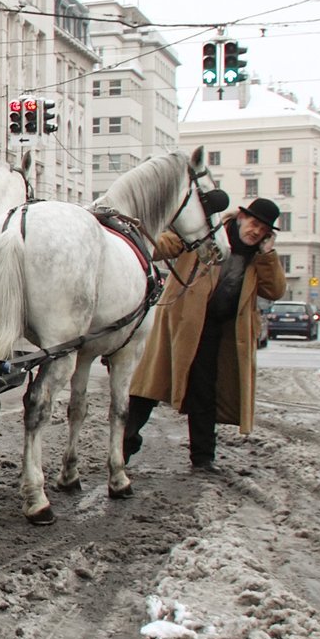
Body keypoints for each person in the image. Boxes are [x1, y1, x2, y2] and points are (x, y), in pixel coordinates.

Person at [124, 197, 286, 472]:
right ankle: (122, 447)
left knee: (204, 394)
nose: (256, 232)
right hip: (179, 325)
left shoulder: (259, 258)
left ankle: (203, 458)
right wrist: (140, 235)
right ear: (241, 218)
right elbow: (164, 246)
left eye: (263, 230)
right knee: (147, 389)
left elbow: (275, 291)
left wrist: (267, 255)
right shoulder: (207, 233)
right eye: (254, 223)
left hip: (214, 333)